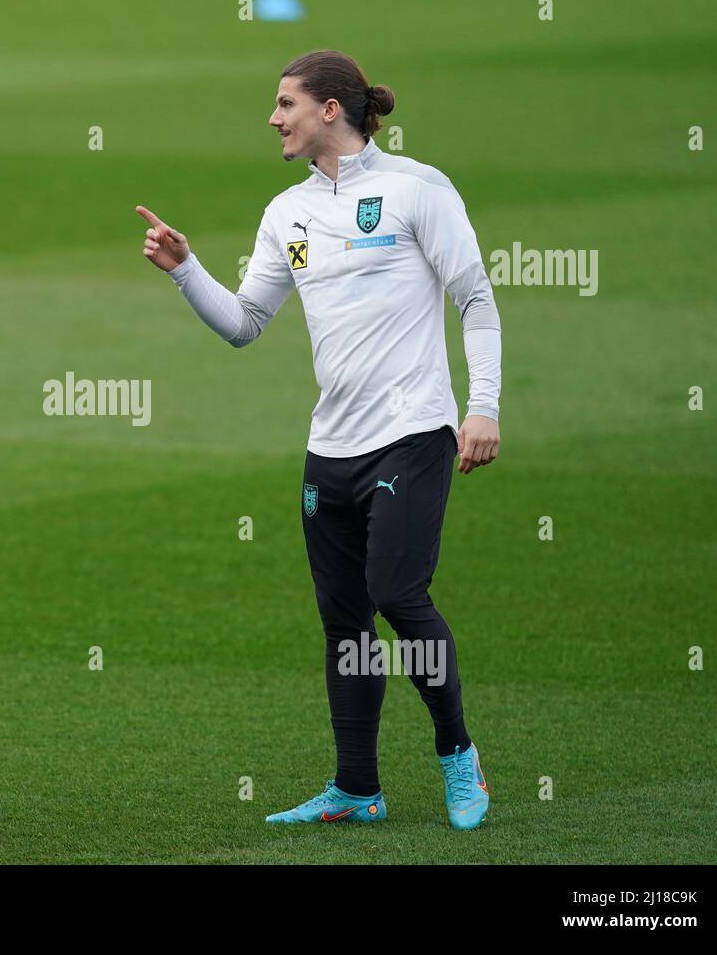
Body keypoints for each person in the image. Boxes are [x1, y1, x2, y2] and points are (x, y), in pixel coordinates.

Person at [136, 50, 500, 830]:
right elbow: (245, 323)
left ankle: (457, 755)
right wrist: (183, 267)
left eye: (285, 103)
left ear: (331, 109)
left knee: (399, 595)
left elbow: (476, 299)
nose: (274, 118)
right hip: (331, 448)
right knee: (345, 627)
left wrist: (484, 407)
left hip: (414, 432)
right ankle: (357, 787)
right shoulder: (285, 213)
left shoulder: (416, 189)